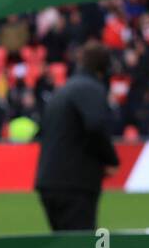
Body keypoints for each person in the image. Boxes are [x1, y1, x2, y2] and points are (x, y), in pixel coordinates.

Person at [34, 39, 119, 231]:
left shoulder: (63, 90)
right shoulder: (90, 89)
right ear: (103, 69)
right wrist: (110, 159)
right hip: (74, 183)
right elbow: (96, 125)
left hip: (49, 180)